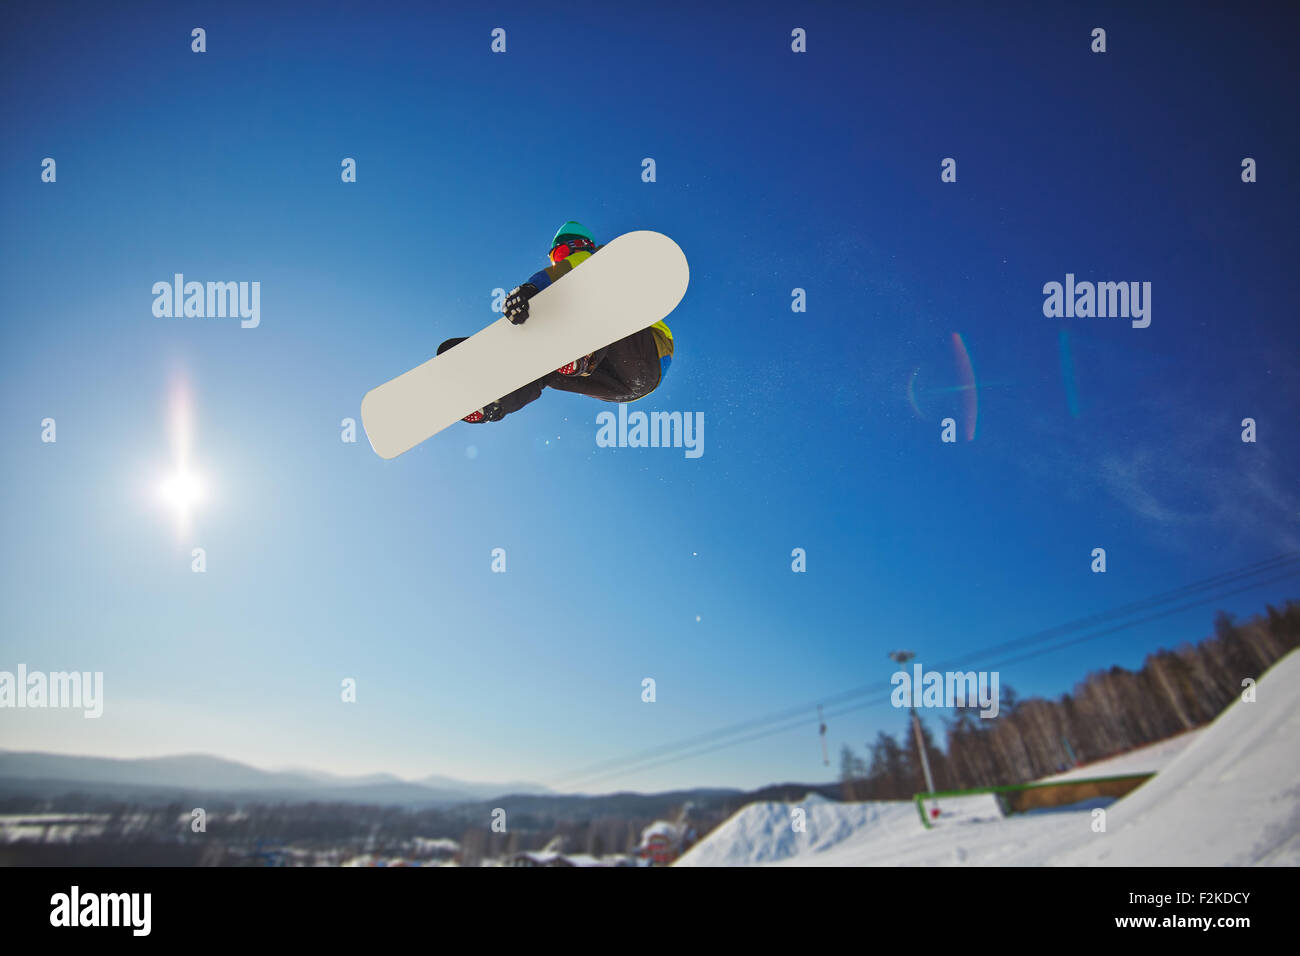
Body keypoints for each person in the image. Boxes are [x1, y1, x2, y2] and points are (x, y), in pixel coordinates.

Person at [438, 221, 674, 423]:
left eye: (559, 255)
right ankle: (493, 402)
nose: (556, 263)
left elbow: (567, 271)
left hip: (648, 353)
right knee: (544, 364)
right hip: (622, 388)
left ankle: (581, 353)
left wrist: (532, 289)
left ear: (580, 246)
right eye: (554, 259)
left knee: (591, 296)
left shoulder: (599, 262)